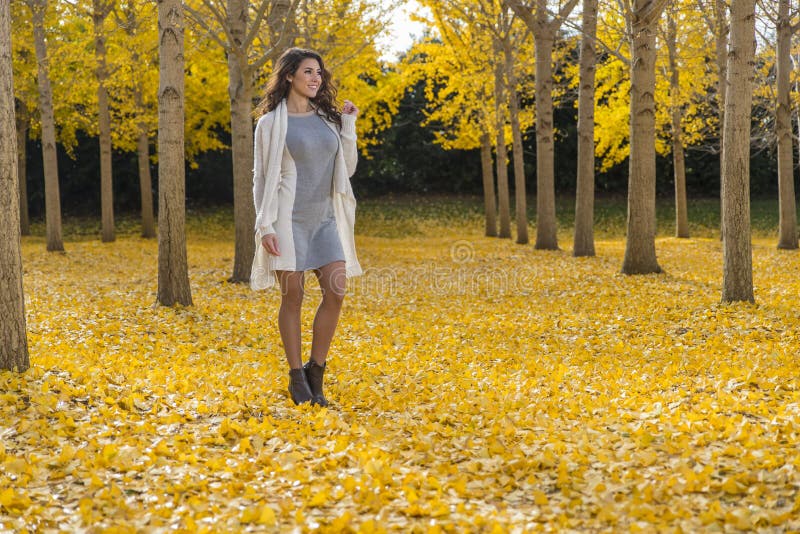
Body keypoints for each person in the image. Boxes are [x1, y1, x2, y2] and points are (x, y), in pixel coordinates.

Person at [250, 48, 362, 407]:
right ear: (289, 77)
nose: (316, 78)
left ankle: (317, 370)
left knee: (337, 290)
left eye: (319, 73)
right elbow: (261, 177)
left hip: (325, 220)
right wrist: (263, 224)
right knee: (293, 297)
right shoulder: (270, 124)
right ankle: (297, 376)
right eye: (308, 72)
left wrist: (349, 127)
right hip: (288, 220)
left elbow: (348, 169)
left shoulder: (328, 119)